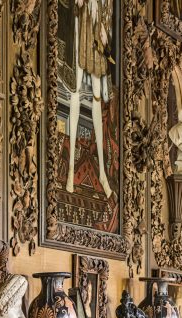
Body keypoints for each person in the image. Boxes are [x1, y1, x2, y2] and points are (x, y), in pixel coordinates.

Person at [65, 0, 114, 198]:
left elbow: (107, 14)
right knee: (75, 93)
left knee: (96, 99)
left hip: (95, 36)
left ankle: (103, 173)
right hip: (80, 28)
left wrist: (104, 30)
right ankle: (69, 170)